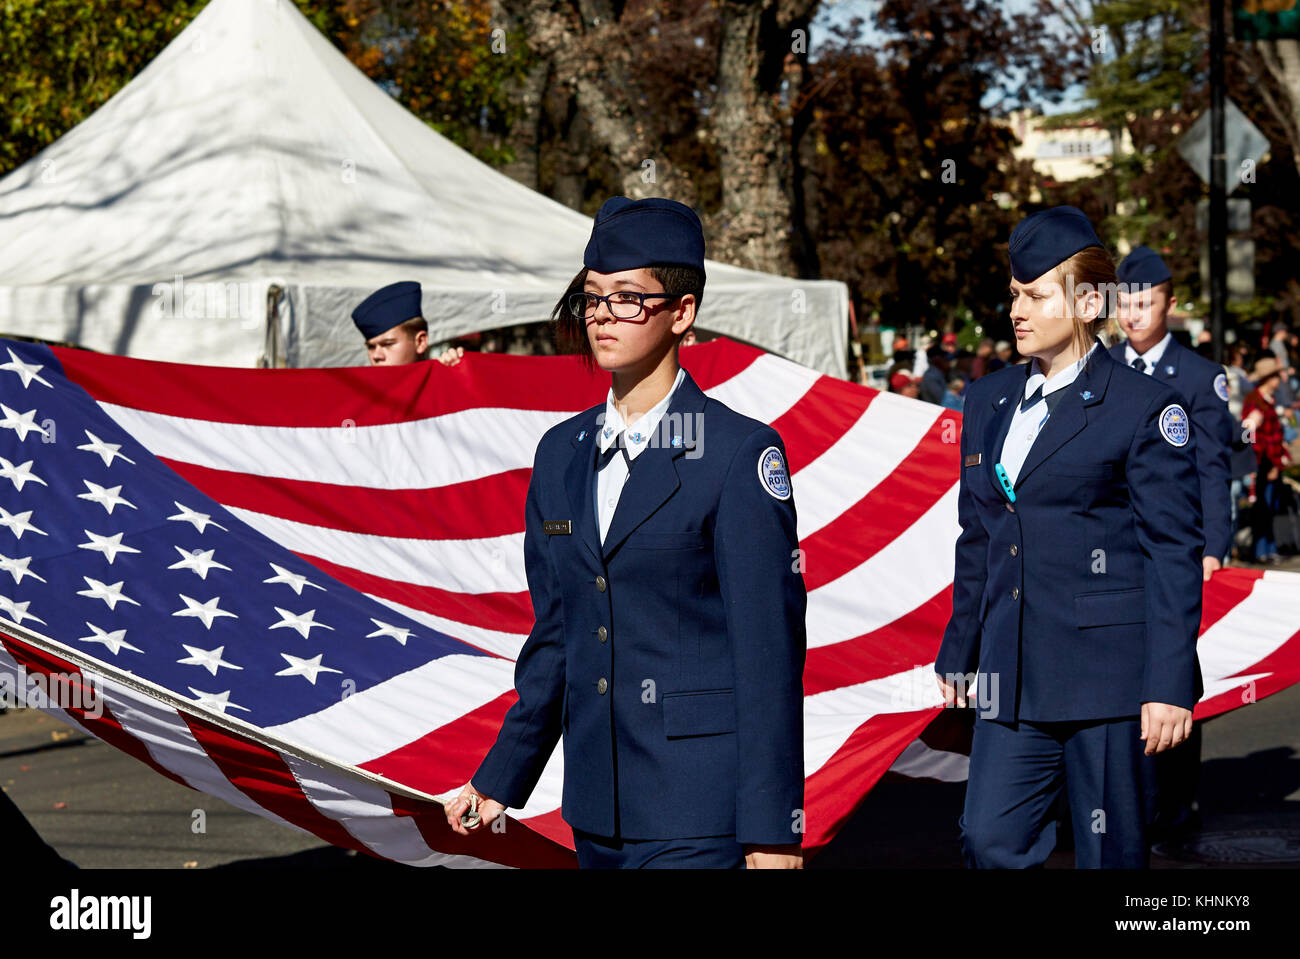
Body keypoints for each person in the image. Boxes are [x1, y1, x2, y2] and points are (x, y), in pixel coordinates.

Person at [443, 196, 808, 869]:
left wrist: (772, 828)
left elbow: (769, 656)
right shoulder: (560, 453)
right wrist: (502, 774)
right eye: (592, 297)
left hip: (700, 810)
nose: (605, 314)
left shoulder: (735, 454)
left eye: (630, 298)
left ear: (683, 313)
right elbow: (558, 632)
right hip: (596, 809)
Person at [934, 206, 1204, 869]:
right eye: (1014, 294)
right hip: (1012, 673)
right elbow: (979, 536)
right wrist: (959, 646)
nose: (1017, 309)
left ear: (1087, 301)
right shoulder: (988, 398)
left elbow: (1173, 550)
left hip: (1107, 679)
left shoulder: (1142, 408)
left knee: (1111, 854)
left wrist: (1169, 682)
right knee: (990, 839)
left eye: (1034, 294)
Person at [1110, 245, 1236, 581]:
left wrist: (1212, 546)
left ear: (1170, 305)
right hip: (1107, 541)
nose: (1132, 315)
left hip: (1173, 541)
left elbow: (1211, 467)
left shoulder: (1200, 377)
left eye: (1144, 304)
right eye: (1123, 304)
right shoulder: (1099, 367)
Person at [1244, 355, 1290, 563]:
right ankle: (1260, 550)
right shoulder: (1254, 402)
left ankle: (1269, 548)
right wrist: (1258, 463)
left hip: (1272, 461)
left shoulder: (1268, 402)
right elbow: (1250, 435)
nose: (1279, 380)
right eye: (1275, 376)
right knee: (1262, 508)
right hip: (1261, 463)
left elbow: (1275, 435)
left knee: (1270, 507)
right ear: (1268, 378)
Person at [351, 281, 428, 365]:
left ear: (420, 342)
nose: (376, 356)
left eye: (388, 344)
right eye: (371, 347)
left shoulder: (442, 377)